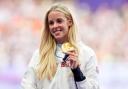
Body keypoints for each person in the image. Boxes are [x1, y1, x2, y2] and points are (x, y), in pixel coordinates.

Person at [21, 4, 99, 89]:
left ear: (69, 22)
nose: (55, 26)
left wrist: (77, 71)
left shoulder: (86, 53)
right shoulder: (39, 54)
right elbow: (27, 84)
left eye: (59, 21)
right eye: (51, 23)